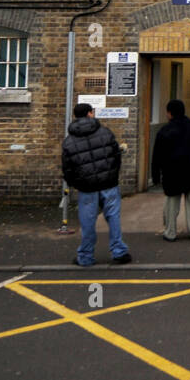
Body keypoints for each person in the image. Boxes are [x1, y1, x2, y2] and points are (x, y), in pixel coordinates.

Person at [62, 103, 132, 267]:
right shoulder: (105, 132)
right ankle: (119, 252)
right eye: (92, 112)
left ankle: (85, 256)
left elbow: (67, 168)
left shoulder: (69, 141)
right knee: (113, 218)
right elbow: (116, 156)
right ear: (89, 114)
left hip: (86, 188)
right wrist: (114, 176)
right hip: (109, 184)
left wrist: (76, 184)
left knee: (87, 222)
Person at [151, 99, 190, 240]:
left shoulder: (164, 131)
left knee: (171, 206)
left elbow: (157, 156)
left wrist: (155, 176)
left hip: (172, 174)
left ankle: (170, 232)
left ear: (169, 113)